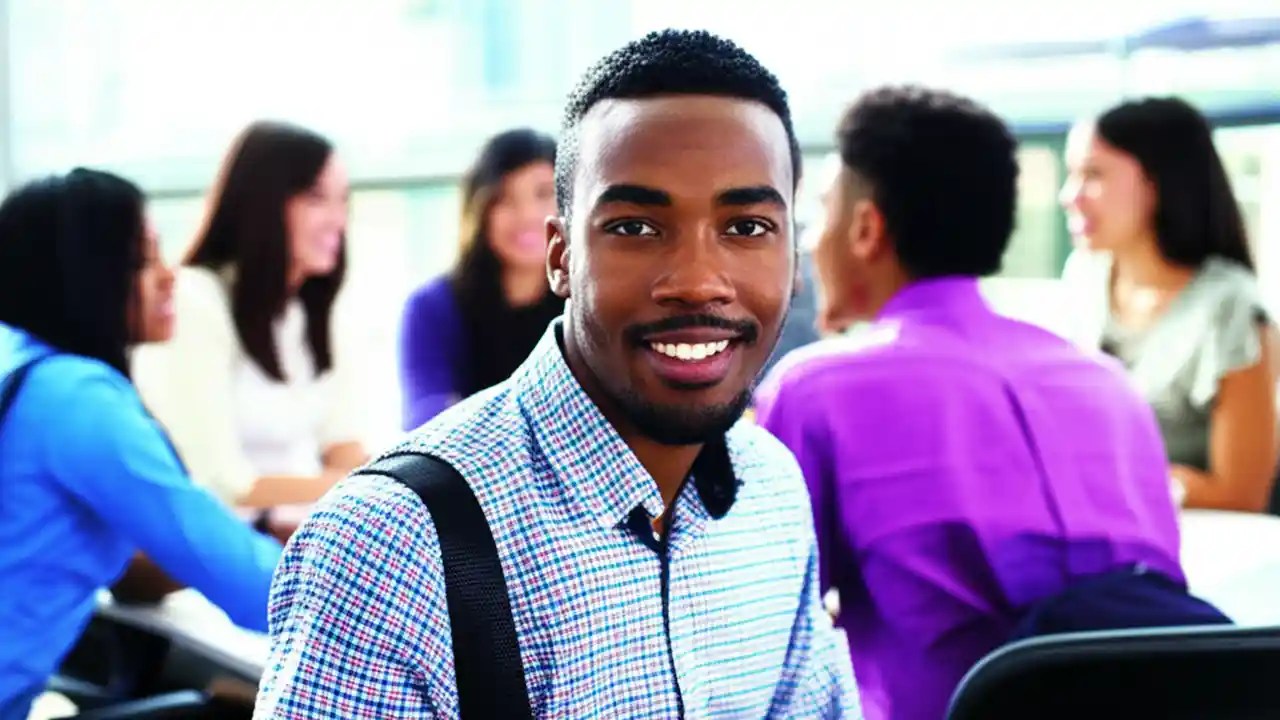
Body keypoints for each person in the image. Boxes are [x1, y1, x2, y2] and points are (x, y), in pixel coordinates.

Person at [256, 30, 858, 718]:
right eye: (635, 227)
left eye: (747, 227)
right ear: (561, 256)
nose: (697, 282)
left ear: (793, 258)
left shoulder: (772, 493)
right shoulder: (392, 543)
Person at [754, 87, 1185, 720]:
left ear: (867, 229)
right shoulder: (1107, 384)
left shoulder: (818, 389)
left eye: (819, 215)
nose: (810, 244)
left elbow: (763, 634)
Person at [0, 169, 281, 719]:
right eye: (146, 259)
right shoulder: (78, 399)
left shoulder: (23, 363)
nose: (170, 274)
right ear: (88, 274)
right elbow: (246, 582)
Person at [133, 121, 369, 515]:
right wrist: (350, 489)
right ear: (263, 201)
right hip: (235, 545)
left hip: (303, 530)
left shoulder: (310, 309)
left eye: (342, 200)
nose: (337, 220)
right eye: (316, 198)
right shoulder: (196, 300)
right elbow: (220, 482)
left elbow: (342, 441)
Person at [1058, 97, 1278, 512]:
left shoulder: (1229, 308)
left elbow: (1241, 495)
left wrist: (1107, 477)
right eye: (1071, 175)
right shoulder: (1083, 279)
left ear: (1159, 182)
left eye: (1093, 174)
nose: (1070, 196)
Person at [398, 129, 563, 429]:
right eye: (504, 199)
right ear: (480, 208)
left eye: (543, 194)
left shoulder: (587, 301)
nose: (526, 214)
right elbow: (427, 420)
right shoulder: (433, 307)